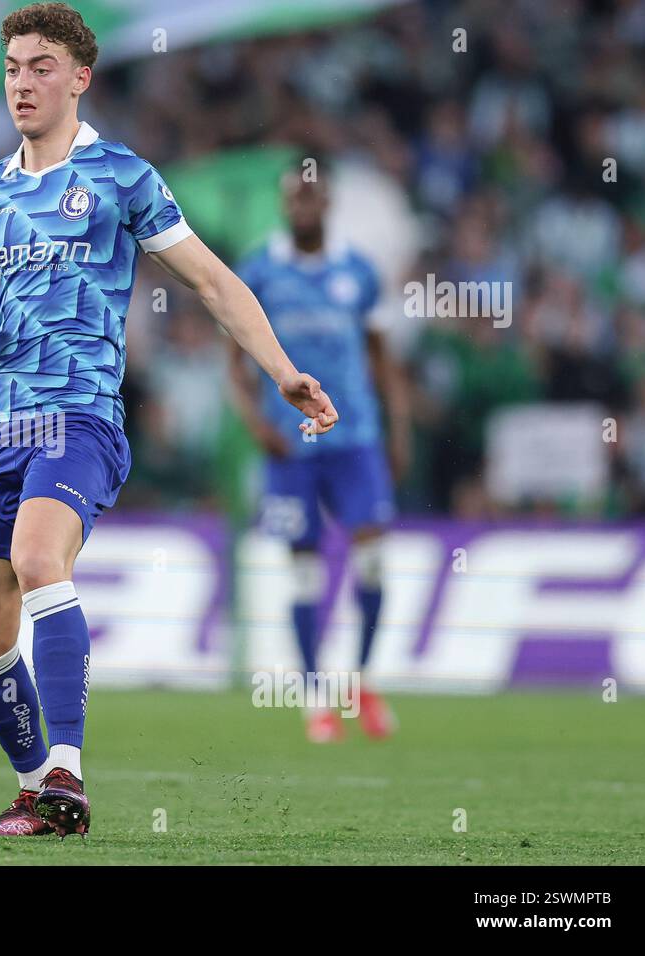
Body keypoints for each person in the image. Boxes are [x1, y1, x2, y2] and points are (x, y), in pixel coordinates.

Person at [0, 3, 338, 837]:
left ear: (78, 78)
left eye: (39, 67)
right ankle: (38, 792)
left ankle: (67, 771)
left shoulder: (122, 177)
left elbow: (213, 282)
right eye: (12, 68)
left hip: (81, 415)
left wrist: (281, 371)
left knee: (39, 557)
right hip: (0, 426)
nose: (21, 84)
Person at [231, 171, 408, 743]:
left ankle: (362, 682)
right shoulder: (259, 269)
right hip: (292, 442)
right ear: (285, 204)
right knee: (304, 571)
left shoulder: (358, 271)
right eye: (293, 197)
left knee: (374, 559)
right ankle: (315, 698)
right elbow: (233, 355)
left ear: (328, 200)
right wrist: (255, 421)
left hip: (356, 437)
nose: (302, 205)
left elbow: (380, 354)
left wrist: (397, 427)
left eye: (311, 195)